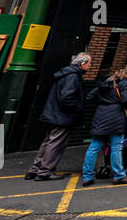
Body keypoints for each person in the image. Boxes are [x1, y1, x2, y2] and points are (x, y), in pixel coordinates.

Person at [25, 52, 90, 181]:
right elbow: (67, 97)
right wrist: (77, 109)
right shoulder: (73, 77)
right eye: (89, 63)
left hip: (53, 113)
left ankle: (35, 169)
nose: (90, 66)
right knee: (56, 144)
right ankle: (45, 171)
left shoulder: (64, 74)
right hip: (63, 116)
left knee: (48, 142)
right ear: (82, 64)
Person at [82, 64, 127, 187]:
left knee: (93, 147)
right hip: (116, 117)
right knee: (116, 147)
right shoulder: (125, 83)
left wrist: (103, 101)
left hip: (100, 116)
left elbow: (90, 96)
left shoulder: (106, 82)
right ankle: (119, 175)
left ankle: (87, 176)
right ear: (126, 73)